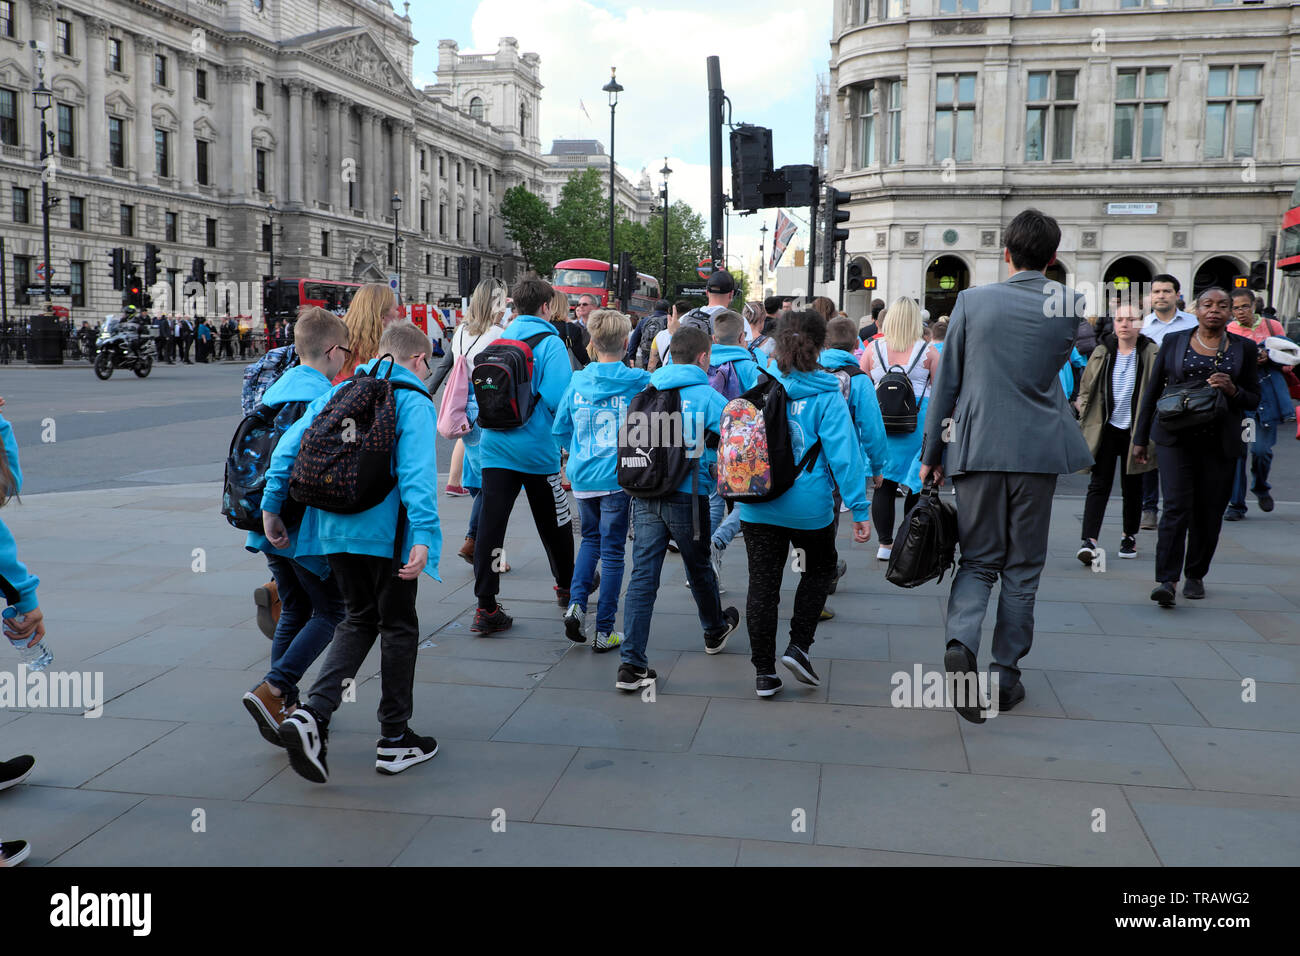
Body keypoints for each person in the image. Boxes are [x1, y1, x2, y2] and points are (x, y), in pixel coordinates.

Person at [919, 208, 1094, 723]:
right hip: (1037, 450)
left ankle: (960, 641)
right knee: (1023, 568)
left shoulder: (971, 302)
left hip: (976, 446)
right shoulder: (1068, 303)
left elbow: (945, 385)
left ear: (1005, 252)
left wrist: (932, 456)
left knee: (978, 559)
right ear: (1054, 257)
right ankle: (1004, 674)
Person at [262, 321, 442, 783]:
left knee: (358, 618)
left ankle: (312, 715)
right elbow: (417, 473)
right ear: (419, 360)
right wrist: (423, 534)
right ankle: (395, 741)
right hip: (386, 536)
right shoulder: (412, 400)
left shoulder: (340, 391)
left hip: (332, 530)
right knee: (399, 626)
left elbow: (286, 449)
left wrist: (271, 507)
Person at [735, 311, 874, 696]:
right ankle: (799, 646)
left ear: (777, 343)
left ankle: (763, 672)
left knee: (762, 584)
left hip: (758, 502)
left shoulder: (758, 379)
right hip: (809, 507)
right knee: (820, 568)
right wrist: (860, 509)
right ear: (821, 347)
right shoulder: (828, 393)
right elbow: (845, 458)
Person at [239, 308, 351, 746]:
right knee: (332, 612)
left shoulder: (272, 389)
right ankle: (275, 689)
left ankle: (283, 703)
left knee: (294, 606)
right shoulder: (319, 397)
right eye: (343, 349)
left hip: (266, 527)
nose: (345, 357)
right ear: (330, 350)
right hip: (300, 528)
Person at [616, 325, 740, 692]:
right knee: (699, 565)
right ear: (703, 357)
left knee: (642, 578)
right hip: (688, 495)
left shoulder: (647, 390)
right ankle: (714, 629)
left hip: (643, 494)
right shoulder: (706, 395)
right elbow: (735, 439)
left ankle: (631, 664)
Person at [1133, 288, 1260, 607]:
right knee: (1175, 507)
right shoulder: (1175, 342)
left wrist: (1232, 390)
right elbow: (1152, 391)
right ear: (1196, 309)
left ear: (1231, 312)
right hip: (1175, 437)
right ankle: (1166, 579)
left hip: (1220, 440)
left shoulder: (1243, 348)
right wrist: (1140, 437)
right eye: (1207, 304)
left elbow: (1254, 399)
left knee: (1208, 512)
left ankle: (1195, 574)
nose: (1214, 310)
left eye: (1222, 305)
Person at [470, 276, 576, 634]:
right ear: (546, 307)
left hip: (494, 447)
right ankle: (566, 587)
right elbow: (559, 399)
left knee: (491, 526)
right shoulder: (551, 343)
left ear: (515, 305)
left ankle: (486, 606)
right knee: (554, 522)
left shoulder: (500, 339)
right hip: (535, 450)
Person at [553, 309, 649, 652]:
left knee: (590, 541)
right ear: (626, 343)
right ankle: (605, 629)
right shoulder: (638, 381)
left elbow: (560, 428)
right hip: (618, 477)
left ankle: (577, 604)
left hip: (582, 475)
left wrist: (576, 451)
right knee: (612, 552)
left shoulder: (577, 381)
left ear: (592, 343)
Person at [1075, 303, 1158, 565]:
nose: (1124, 324)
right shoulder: (1103, 351)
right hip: (1106, 428)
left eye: (1130, 319)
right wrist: (1084, 412)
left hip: (1137, 431)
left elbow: (1158, 390)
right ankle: (1089, 540)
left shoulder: (1151, 352)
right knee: (1099, 484)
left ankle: (1129, 536)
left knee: (1132, 486)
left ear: (1140, 323)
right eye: (1119, 319)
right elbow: (1086, 387)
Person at [859, 296, 940, 560]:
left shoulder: (873, 349)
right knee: (917, 483)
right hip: (918, 423)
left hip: (881, 422)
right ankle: (909, 541)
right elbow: (941, 391)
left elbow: (863, 384)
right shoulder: (928, 351)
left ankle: (885, 544)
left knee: (883, 484)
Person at [450, 278, 509, 557]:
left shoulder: (460, 331)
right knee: (493, 483)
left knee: (479, 478)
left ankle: (479, 542)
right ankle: (478, 543)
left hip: (463, 408)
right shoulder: (497, 336)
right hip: (486, 408)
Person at [1138, 274, 1197, 530]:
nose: (1161, 295)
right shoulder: (1143, 326)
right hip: (1153, 396)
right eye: (1157, 291)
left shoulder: (1193, 324)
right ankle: (1149, 508)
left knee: (1184, 453)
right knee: (1150, 451)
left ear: (1177, 295)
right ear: (1151, 296)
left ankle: (1184, 505)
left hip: (1187, 397)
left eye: (1166, 291)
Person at [1224, 287, 1289, 519]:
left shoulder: (1272, 327)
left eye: (1244, 306)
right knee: (1241, 451)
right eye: (1235, 308)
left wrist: (1269, 357)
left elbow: (1290, 359)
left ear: (1253, 306)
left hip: (1268, 400)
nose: (1240, 312)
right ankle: (1236, 504)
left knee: (1261, 451)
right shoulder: (1229, 330)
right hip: (1244, 402)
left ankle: (1260, 486)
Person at [335, 283, 402, 383]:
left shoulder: (336, 344)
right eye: (396, 309)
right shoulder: (385, 355)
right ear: (382, 316)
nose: (398, 313)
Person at [550, 288, 591, 369]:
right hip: (564, 372)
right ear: (565, 306)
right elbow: (583, 358)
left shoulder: (541, 326)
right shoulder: (571, 329)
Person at [627, 298, 670, 367]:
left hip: (646, 358)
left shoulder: (644, 321)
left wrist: (631, 357)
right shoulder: (670, 321)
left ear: (654, 309)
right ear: (668, 309)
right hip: (663, 360)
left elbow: (634, 340)